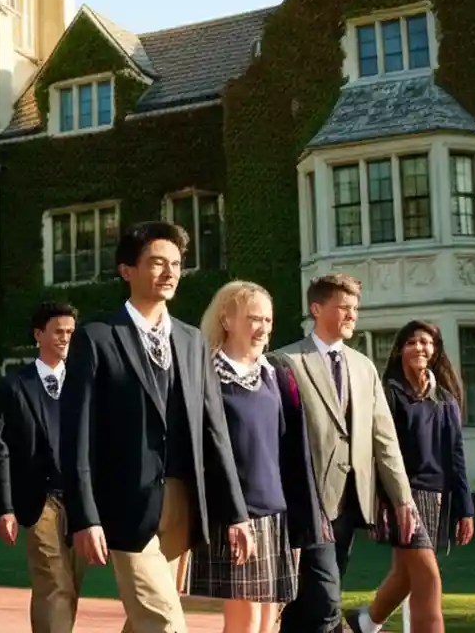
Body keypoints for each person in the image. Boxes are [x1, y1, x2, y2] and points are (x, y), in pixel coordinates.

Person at [61, 220, 255, 633]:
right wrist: (83, 516)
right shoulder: (96, 338)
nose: (169, 273)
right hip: (124, 506)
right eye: (156, 263)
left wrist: (236, 513)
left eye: (176, 264)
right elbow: (75, 436)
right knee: (166, 624)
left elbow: (214, 430)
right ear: (126, 270)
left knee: (143, 620)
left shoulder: (191, 341)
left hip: (182, 505)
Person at [273, 273, 415, 633]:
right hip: (306, 501)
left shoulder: (364, 367)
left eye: (355, 308)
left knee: (306, 601)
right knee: (326, 599)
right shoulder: (284, 362)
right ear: (316, 309)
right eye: (344, 308)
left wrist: (402, 498)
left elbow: (385, 438)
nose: (352, 315)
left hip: (352, 502)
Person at [181, 281, 323, 633]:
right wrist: (232, 516)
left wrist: (300, 523)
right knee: (243, 626)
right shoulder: (206, 376)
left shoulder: (277, 374)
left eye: (268, 320)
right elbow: (203, 452)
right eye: (253, 318)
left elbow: (291, 450)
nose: (262, 328)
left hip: (276, 514)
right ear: (226, 319)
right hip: (234, 514)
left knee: (267, 625)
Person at [348, 321, 475, 633]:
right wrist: (375, 501)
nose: (420, 348)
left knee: (407, 576)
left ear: (434, 351)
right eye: (412, 342)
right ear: (401, 350)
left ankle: (364, 623)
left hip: (436, 496)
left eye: (427, 342)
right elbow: (373, 451)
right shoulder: (388, 394)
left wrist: (465, 508)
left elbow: (456, 457)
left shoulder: (445, 400)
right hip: (400, 497)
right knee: (428, 577)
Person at [0, 301, 87, 633]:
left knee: (69, 586)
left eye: (70, 332)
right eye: (58, 331)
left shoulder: (86, 383)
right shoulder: (12, 386)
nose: (65, 338)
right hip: (38, 500)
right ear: (38, 334)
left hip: (81, 501)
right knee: (53, 580)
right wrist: (4, 508)